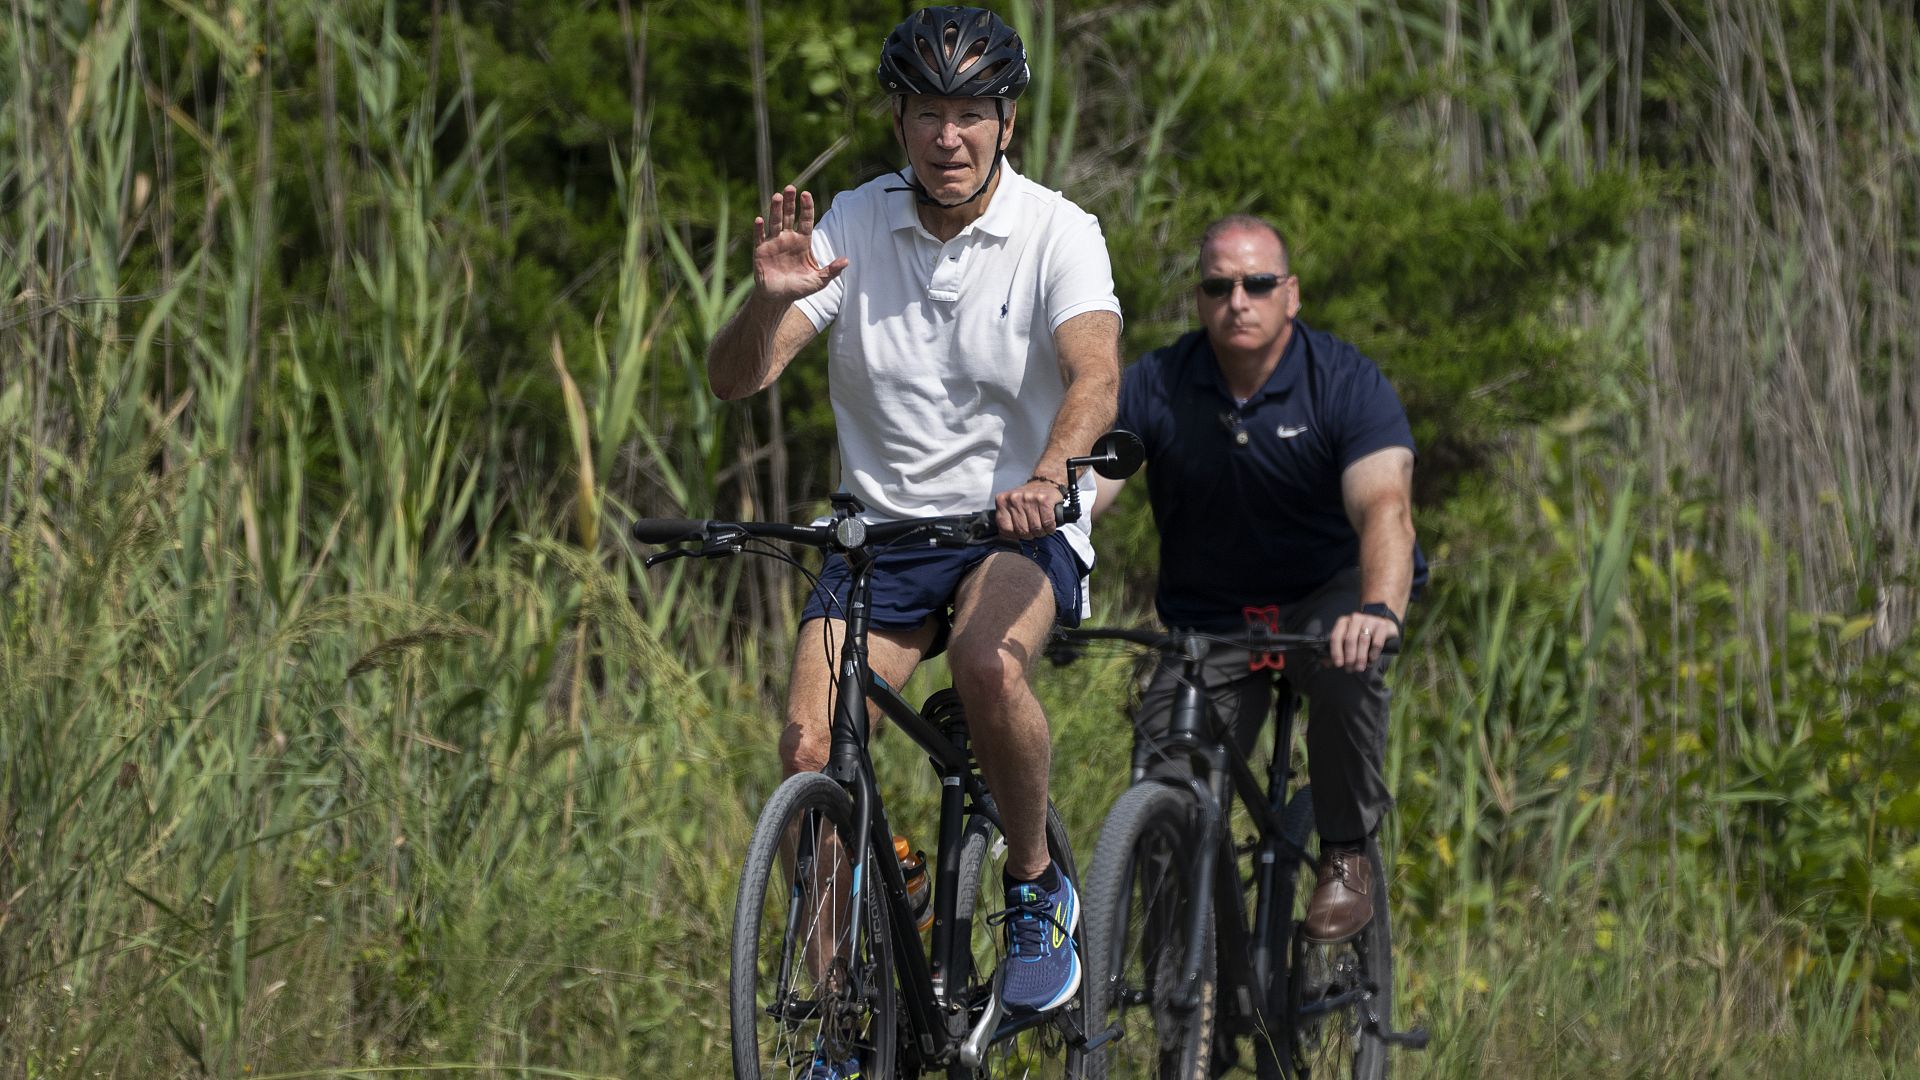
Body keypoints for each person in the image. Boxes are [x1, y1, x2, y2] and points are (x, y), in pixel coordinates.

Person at [705, 3, 1122, 1045]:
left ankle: (1033, 886)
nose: (950, 136)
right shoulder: (851, 223)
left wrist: (1050, 473)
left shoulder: (1058, 232)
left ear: (1006, 124)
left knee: (987, 667)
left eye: (972, 113)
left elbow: (1096, 375)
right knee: (812, 748)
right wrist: (766, 303)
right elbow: (734, 382)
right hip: (880, 536)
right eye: (929, 112)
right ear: (901, 124)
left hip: (1009, 532)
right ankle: (843, 1018)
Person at [1094, 213, 1421, 946]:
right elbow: (1094, 487)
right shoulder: (1160, 382)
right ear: (1200, 298)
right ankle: (1188, 977)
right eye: (1218, 285)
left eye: (1258, 283)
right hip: (1210, 616)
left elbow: (1385, 509)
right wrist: (1047, 542)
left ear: (1290, 294)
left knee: (1348, 670)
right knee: (1164, 765)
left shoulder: (1342, 382)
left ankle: (1343, 852)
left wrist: (1376, 609)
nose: (1238, 300)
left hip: (1326, 598)